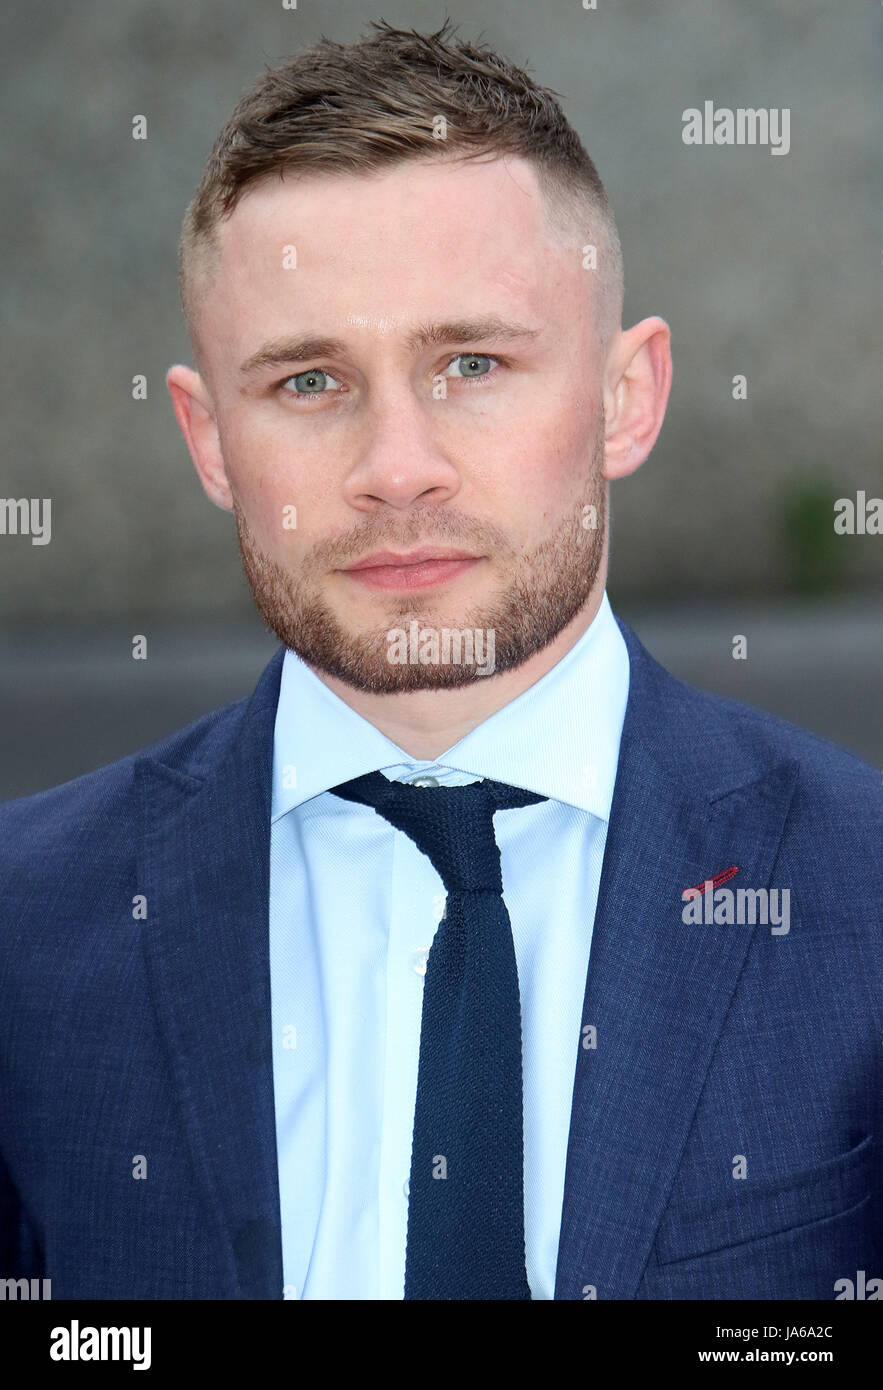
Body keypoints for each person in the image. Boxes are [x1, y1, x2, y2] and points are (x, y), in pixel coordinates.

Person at [1, 20, 879, 1301]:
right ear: (206, 439)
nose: (394, 467)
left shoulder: (862, 891)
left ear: (628, 395)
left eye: (471, 364)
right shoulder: (23, 932)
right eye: (308, 381)